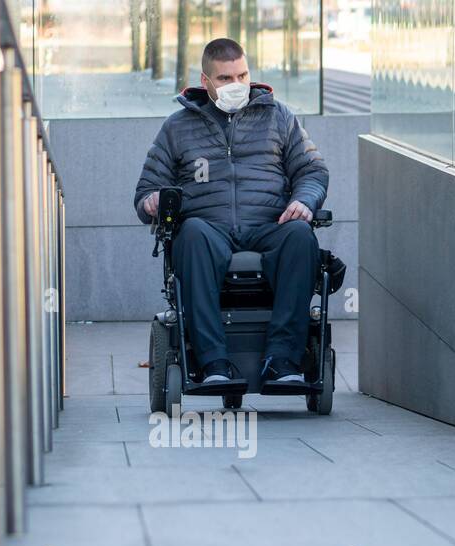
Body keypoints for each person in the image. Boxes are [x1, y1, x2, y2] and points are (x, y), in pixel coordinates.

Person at [132, 37, 329, 385]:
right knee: (190, 234)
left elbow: (312, 171)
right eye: (225, 79)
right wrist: (152, 201)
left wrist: (304, 200)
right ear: (205, 81)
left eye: (242, 75)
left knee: (300, 236)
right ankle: (214, 363)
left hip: (269, 224)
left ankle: (282, 360)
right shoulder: (177, 127)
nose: (236, 85)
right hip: (209, 229)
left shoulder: (279, 117)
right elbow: (147, 190)